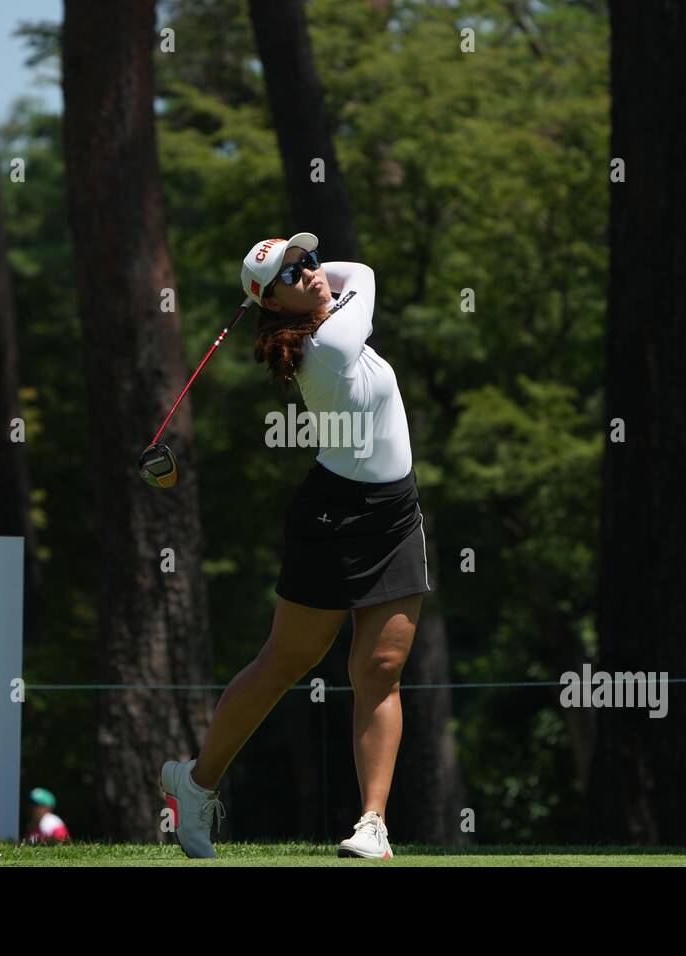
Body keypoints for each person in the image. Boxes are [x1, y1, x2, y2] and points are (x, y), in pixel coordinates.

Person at [160, 232, 430, 860]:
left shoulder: (321, 324)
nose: (311, 272)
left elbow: (336, 275)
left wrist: (276, 283)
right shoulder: (332, 342)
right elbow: (361, 267)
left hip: (396, 513)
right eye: (294, 272)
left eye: (308, 260)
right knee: (285, 662)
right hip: (334, 517)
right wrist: (277, 287)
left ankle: (372, 823)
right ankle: (194, 783)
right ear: (274, 306)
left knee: (381, 670)